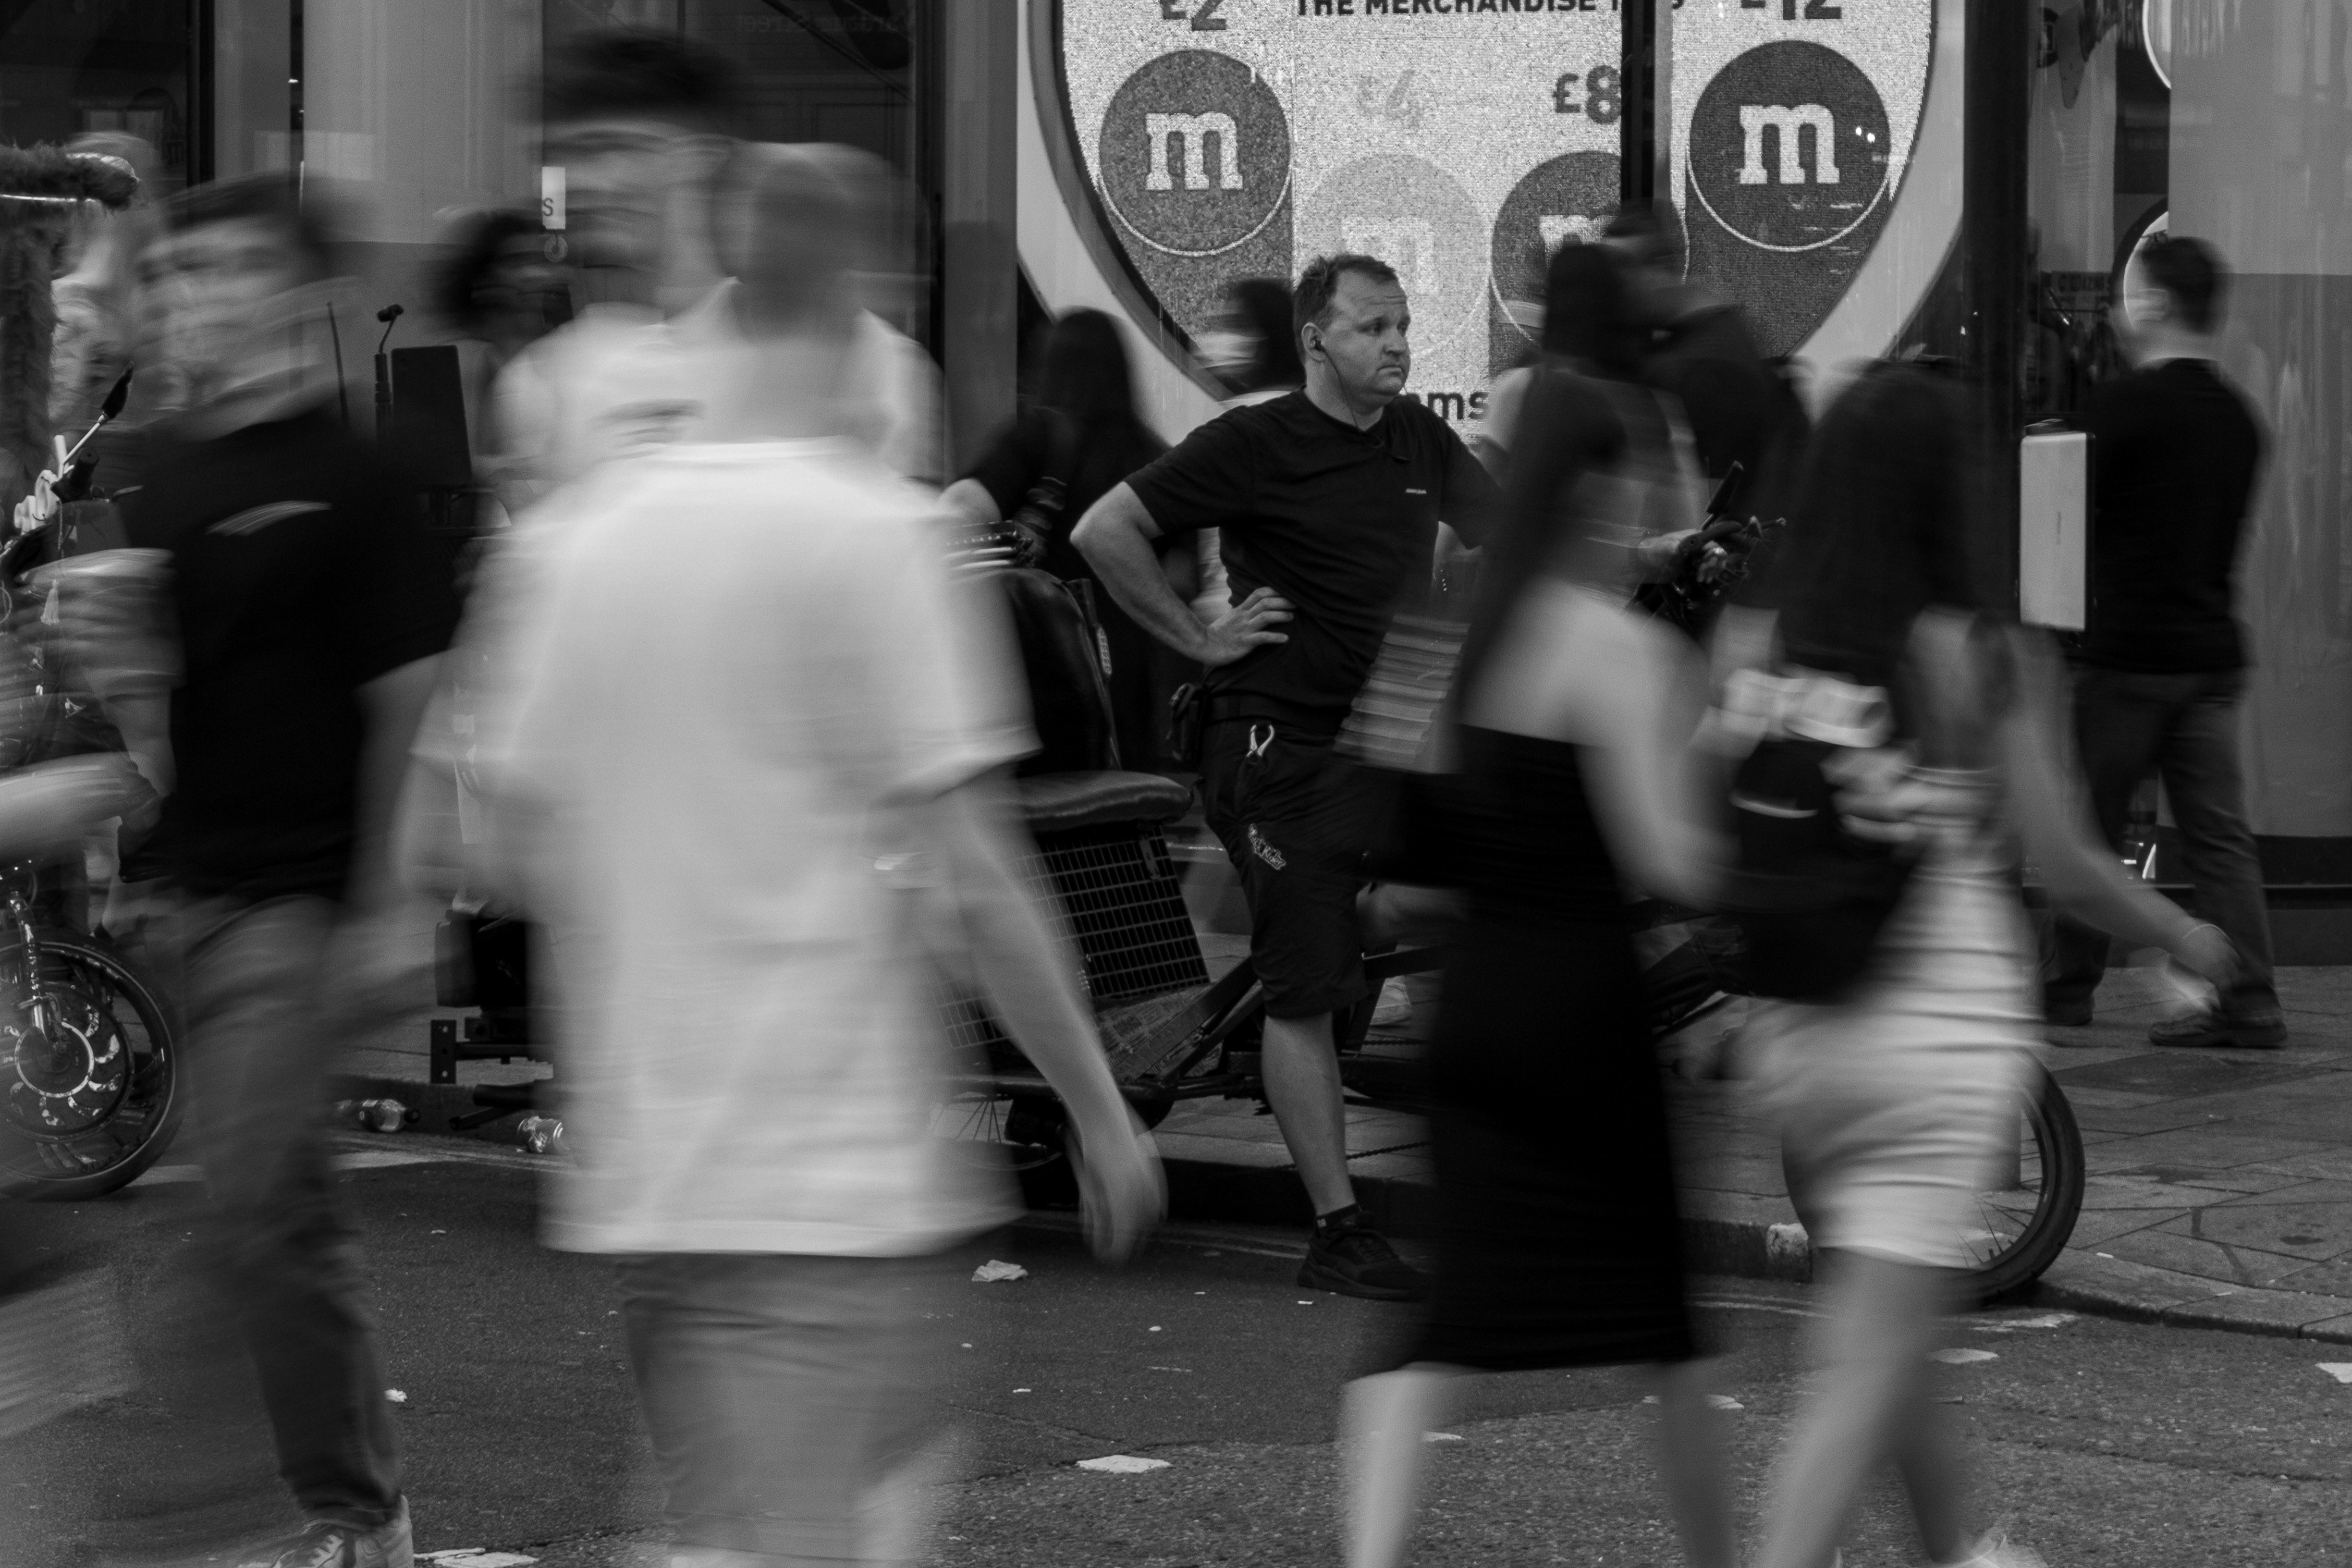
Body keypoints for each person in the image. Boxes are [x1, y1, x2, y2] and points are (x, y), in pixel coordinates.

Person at [470, 145, 1160, 1567]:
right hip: (827, 1159)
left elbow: (509, 845)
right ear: (851, 296)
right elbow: (973, 875)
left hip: (659, 1158)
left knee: (741, 1514)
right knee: (815, 1521)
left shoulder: (577, 543)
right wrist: (1098, 1104)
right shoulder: (879, 540)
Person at [1733, 361, 2238, 1568]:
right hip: (1932, 1027)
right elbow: (2060, 859)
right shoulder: (1980, 652)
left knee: (1883, 1323)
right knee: (1861, 1359)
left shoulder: (1770, 637)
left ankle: (1953, 1550)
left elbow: (1721, 815)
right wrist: (2182, 932)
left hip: (1802, 1025)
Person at [74, 173, 459, 1568]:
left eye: (227, 273)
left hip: (307, 904)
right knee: (284, 1214)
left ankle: (232, 1506)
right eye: (180, 280)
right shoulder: (164, 473)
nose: (197, 302)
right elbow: (166, 727)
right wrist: (121, 674)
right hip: (193, 895)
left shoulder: (357, 476)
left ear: (293, 290)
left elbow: (414, 702)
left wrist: (396, 903)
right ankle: (361, 1510)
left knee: (246, 1202)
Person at [1337, 241, 1735, 1568]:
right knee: (1658, 1326)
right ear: (1596, 486)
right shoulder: (1609, 648)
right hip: (1582, 1015)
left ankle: (1371, 1550)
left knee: (1448, 1319)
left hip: (1475, 1010)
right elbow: (1670, 857)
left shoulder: (1445, 632)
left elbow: (1401, 859)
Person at [1072, 253, 1501, 1301]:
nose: (1397, 345)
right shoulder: (1257, 442)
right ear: (1317, 340)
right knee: (1305, 976)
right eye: (1371, 328)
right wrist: (1198, 640)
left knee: (1488, 890)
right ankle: (1338, 1227)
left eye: (1403, 325)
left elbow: (1516, 539)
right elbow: (1104, 529)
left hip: (1380, 744)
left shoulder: (1417, 439)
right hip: (1271, 746)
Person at [491, 30, 941, 513]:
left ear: (701, 160)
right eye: (563, 159)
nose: (581, 181)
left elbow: (888, 553)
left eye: (613, 147)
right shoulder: (550, 379)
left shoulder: (856, 359)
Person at [2042, 234, 2281, 1047]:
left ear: (2154, 305)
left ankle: (2065, 987)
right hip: (2210, 654)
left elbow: (2059, 518)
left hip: (2128, 657)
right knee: (2220, 838)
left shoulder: (2123, 409)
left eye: (2128, 291)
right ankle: (2250, 1000)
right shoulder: (2241, 421)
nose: (2117, 307)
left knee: (2091, 827)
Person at [943, 309, 1182, 769]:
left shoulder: (1036, 439)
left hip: (1037, 670)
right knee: (1120, 813)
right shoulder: (1155, 457)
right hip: (1127, 681)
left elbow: (962, 510)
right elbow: (1180, 580)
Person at [1189, 276, 1307, 622]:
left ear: (1265, 334)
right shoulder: (1318, 417)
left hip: (1236, 615)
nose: (1217, 338)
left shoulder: (1232, 425)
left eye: (1234, 324)